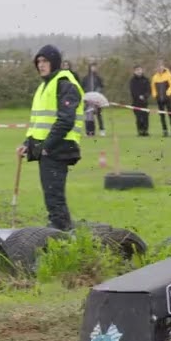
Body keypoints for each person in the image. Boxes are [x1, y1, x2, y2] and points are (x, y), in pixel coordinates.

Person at [17, 44, 83, 232]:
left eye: (45, 61)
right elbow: (39, 122)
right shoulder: (44, 86)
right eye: (38, 61)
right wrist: (27, 144)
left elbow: (66, 120)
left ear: (54, 62)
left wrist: (47, 146)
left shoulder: (64, 83)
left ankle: (60, 230)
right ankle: (62, 229)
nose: (41, 65)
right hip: (48, 147)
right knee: (51, 193)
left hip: (60, 146)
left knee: (54, 195)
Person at [150, 60, 171, 137]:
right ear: (156, 68)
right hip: (159, 99)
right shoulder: (154, 77)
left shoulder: (168, 75)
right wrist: (155, 95)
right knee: (162, 116)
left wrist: (168, 93)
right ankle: (165, 131)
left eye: (160, 66)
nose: (159, 68)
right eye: (158, 67)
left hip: (168, 98)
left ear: (163, 66)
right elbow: (153, 88)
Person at [80, 61, 106, 136]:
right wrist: (86, 94)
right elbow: (82, 87)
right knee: (88, 115)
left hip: (97, 99)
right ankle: (89, 131)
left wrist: (98, 92)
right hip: (88, 99)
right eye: (92, 66)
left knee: (98, 114)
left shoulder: (98, 78)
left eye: (95, 67)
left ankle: (102, 129)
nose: (93, 68)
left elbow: (101, 86)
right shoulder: (85, 78)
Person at [129, 65, 151, 136]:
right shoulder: (132, 81)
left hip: (144, 102)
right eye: (137, 70)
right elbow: (132, 91)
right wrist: (138, 96)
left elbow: (149, 90)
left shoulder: (146, 80)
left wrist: (144, 96)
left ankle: (145, 131)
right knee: (138, 117)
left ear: (142, 70)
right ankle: (140, 131)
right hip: (136, 102)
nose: (139, 71)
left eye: (140, 70)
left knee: (145, 117)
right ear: (134, 71)